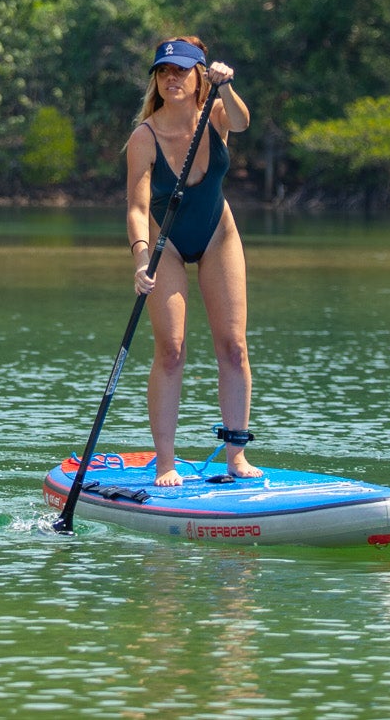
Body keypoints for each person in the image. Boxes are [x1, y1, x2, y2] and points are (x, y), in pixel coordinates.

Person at [124, 36, 256, 486]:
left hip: (219, 234)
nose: (171, 79)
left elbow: (242, 121)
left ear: (199, 77)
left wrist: (226, 85)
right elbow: (137, 209)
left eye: (181, 71)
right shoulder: (144, 137)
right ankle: (166, 462)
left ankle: (236, 455)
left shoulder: (216, 114)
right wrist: (142, 258)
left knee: (233, 347)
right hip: (167, 245)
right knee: (172, 349)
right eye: (163, 72)